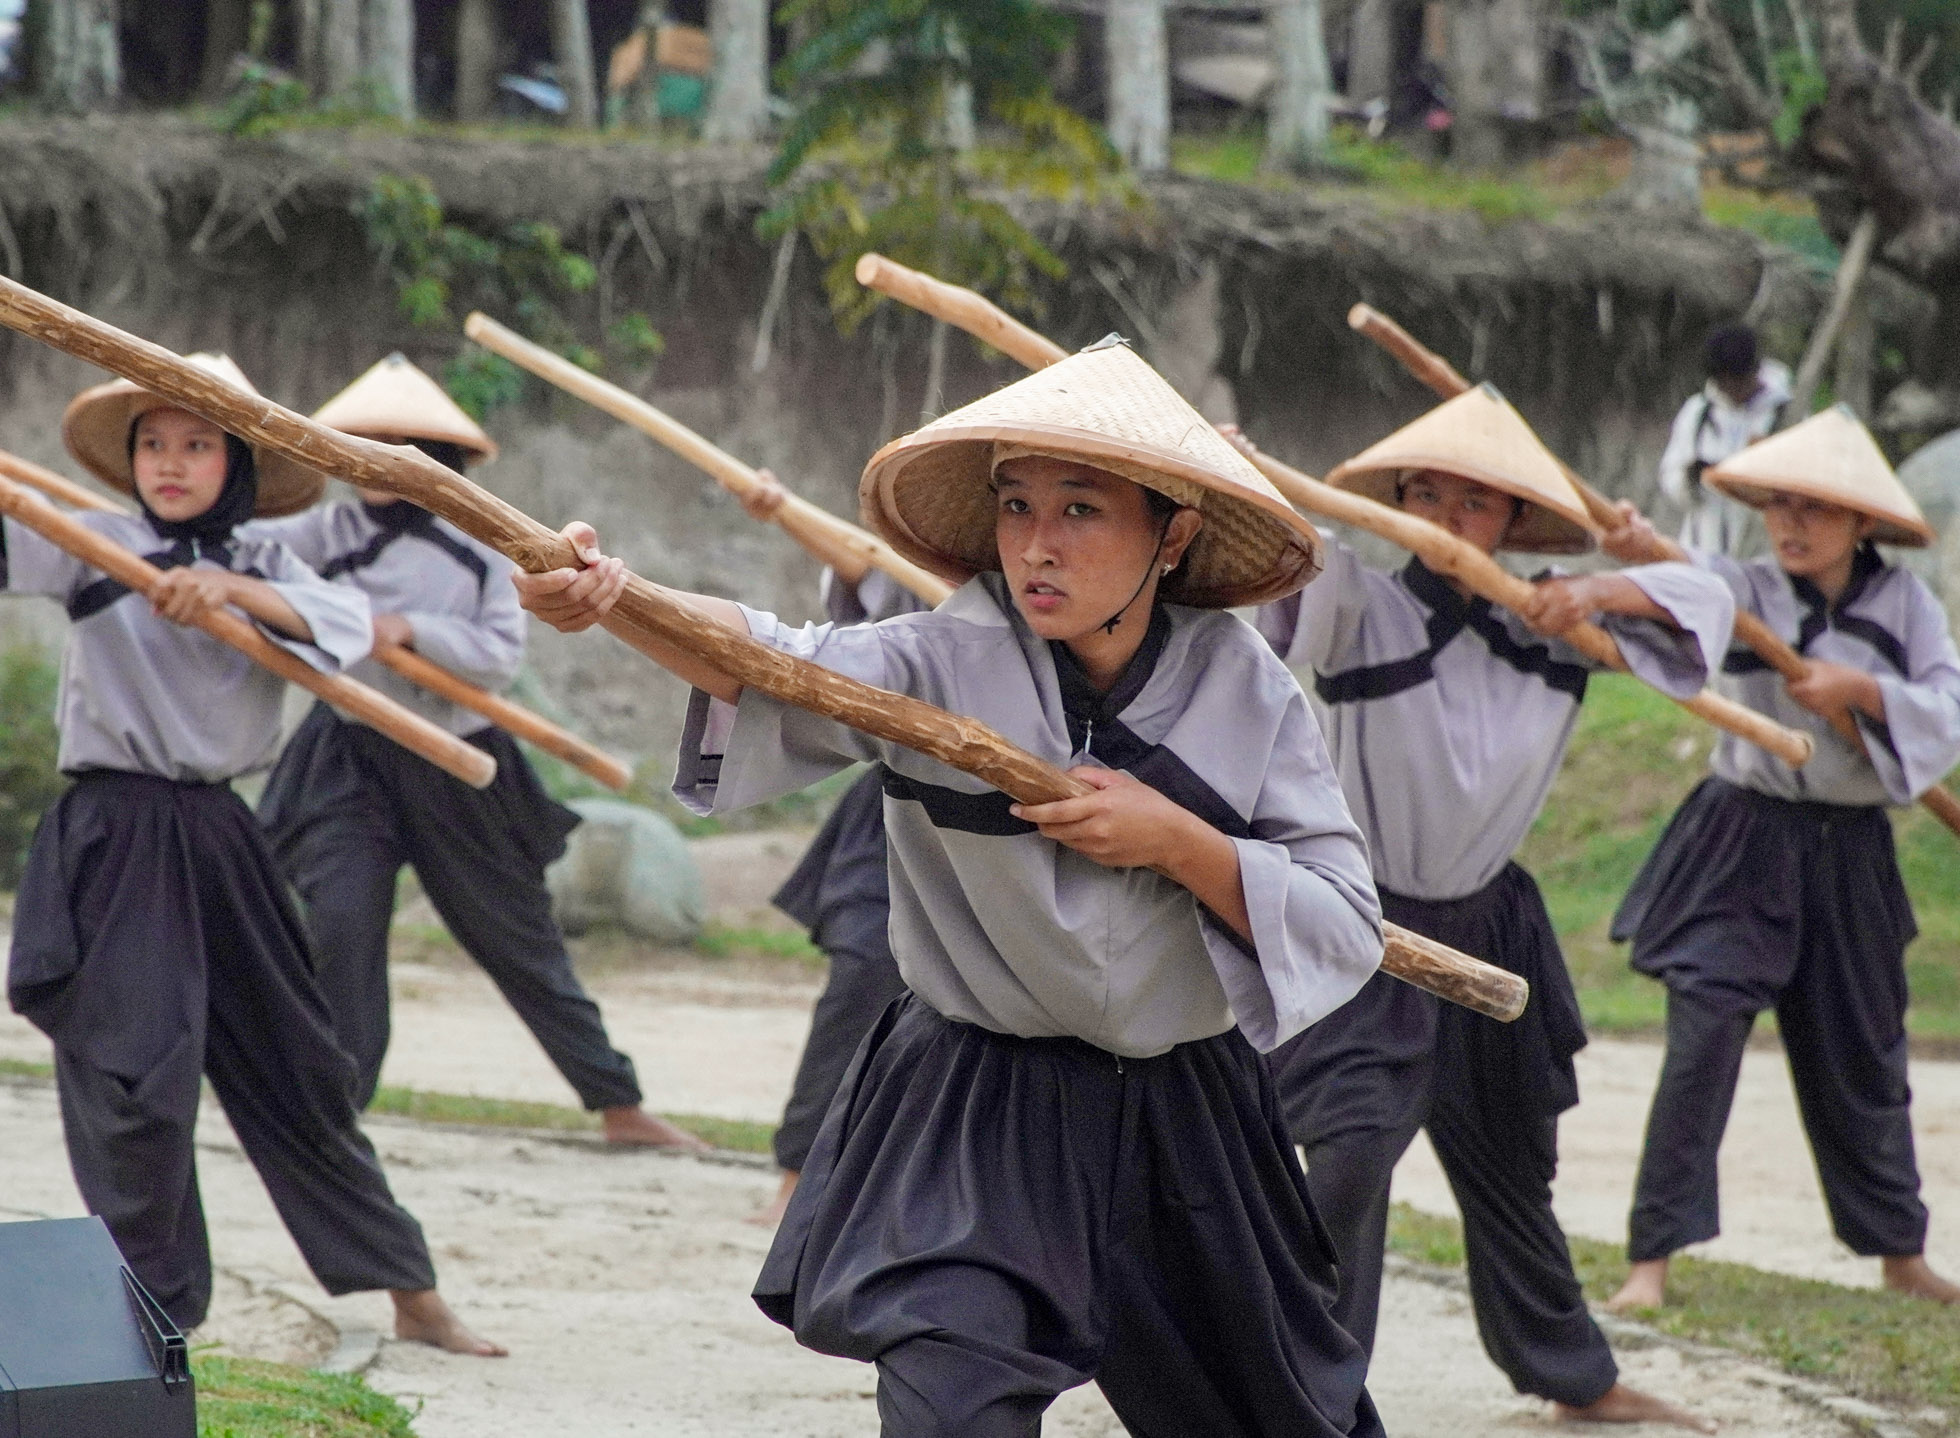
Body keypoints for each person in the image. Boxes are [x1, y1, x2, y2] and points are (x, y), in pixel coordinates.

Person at [518, 337, 1391, 1436]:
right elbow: (775, 657)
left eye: (1080, 510)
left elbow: (1346, 920)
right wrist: (615, 597)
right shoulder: (938, 657)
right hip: (979, 1106)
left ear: (1171, 534)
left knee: (1276, 1417)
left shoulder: (1248, 689)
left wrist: (1180, 842)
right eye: (1015, 506)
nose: (1036, 544)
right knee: (949, 1400)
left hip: (1184, 1113)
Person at [1244, 383, 1732, 1431]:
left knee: (1510, 1164)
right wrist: (1244, 488)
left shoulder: (1560, 623)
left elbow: (1714, 610)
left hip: (1491, 919)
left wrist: (1603, 594)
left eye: (1474, 501)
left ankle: (1571, 1373)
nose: (1448, 515)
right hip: (1370, 925)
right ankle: (1296, 1391)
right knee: (1350, 1151)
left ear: (1510, 520)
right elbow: (1276, 583)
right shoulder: (1361, 600)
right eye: (1426, 493)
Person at [2, 354, 500, 1354]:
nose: (171, 464)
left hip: (224, 837)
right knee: (134, 1081)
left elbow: (345, 626)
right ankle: (152, 1321)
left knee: (299, 1066)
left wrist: (228, 591)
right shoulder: (93, 541)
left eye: (196, 444)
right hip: (115, 833)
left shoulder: (272, 564)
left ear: (234, 463)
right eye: (153, 443)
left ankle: (406, 1285)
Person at [252, 354, 701, 1150]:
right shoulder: (323, 531)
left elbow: (498, 655)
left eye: (396, 442)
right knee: (340, 928)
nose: (374, 459)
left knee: (516, 938)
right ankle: (333, 1117)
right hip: (350, 751)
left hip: (458, 761)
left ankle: (617, 1104)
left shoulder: (483, 538)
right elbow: (249, 568)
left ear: (433, 454)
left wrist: (409, 630)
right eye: (364, 441)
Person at [1607, 405, 1960, 1312]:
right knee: (1703, 1039)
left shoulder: (1906, 606)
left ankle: (1899, 1252)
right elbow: (1692, 589)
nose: (1792, 524)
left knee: (1864, 1055)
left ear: (1862, 522)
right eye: (1778, 505)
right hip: (1744, 838)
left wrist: (1863, 689)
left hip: (1851, 853)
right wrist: (1645, 547)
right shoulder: (1749, 587)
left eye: (1815, 508)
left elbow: (1944, 708)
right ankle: (1652, 1258)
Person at [745, 523, 922, 1226]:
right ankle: (799, 1174)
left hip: (1035, 820)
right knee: (860, 978)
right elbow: (873, 580)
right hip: (897, 801)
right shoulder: (927, 585)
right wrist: (779, 510)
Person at [1657, 323, 1792, 555]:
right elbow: (1670, 476)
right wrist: (1692, 479)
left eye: (1738, 382)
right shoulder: (1697, 413)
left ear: (1755, 371)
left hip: (1763, 556)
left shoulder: (1788, 415)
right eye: (1724, 383)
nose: (1732, 391)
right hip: (1701, 554)